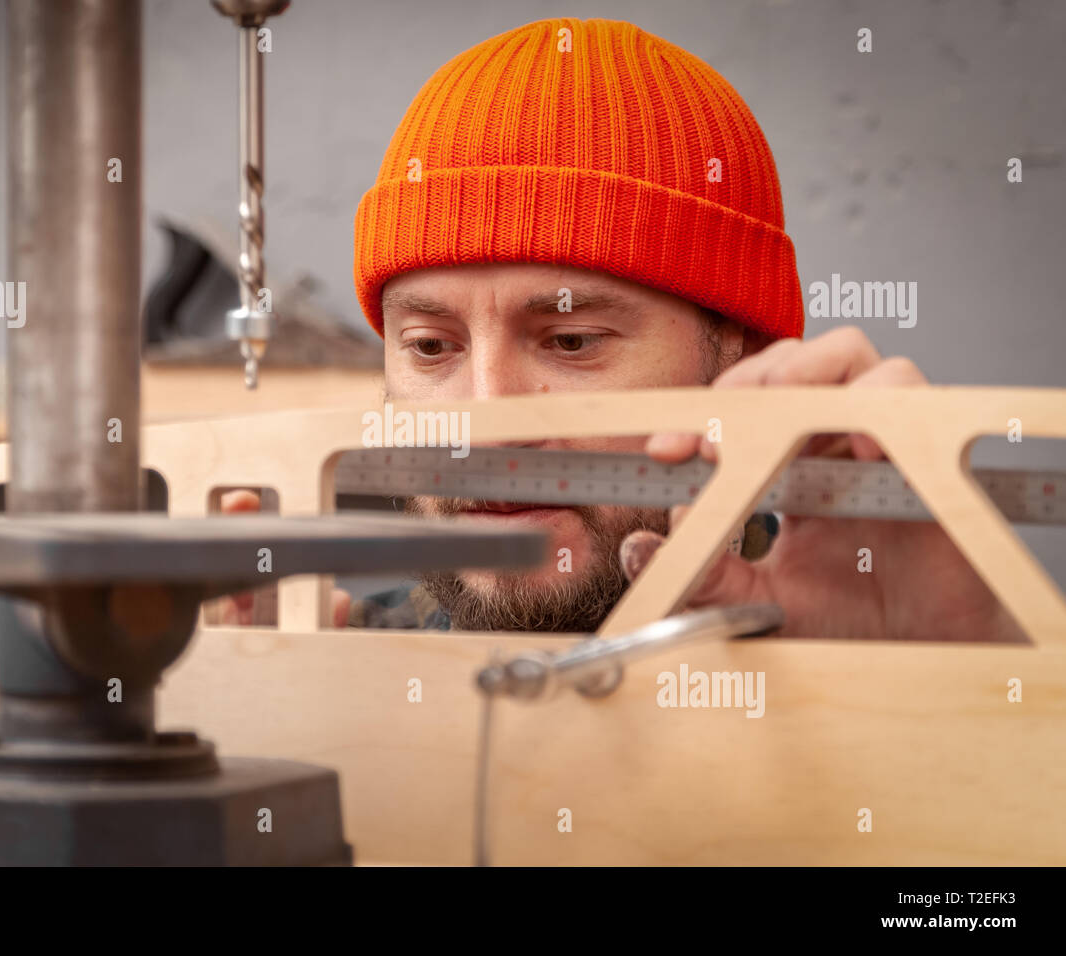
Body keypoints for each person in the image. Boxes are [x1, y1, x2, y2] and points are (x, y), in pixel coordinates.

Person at [222, 17, 1022, 642]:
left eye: (571, 341)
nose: (485, 428)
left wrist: (975, 696)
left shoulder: (907, 650)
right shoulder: (352, 666)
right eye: (432, 347)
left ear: (744, 353)